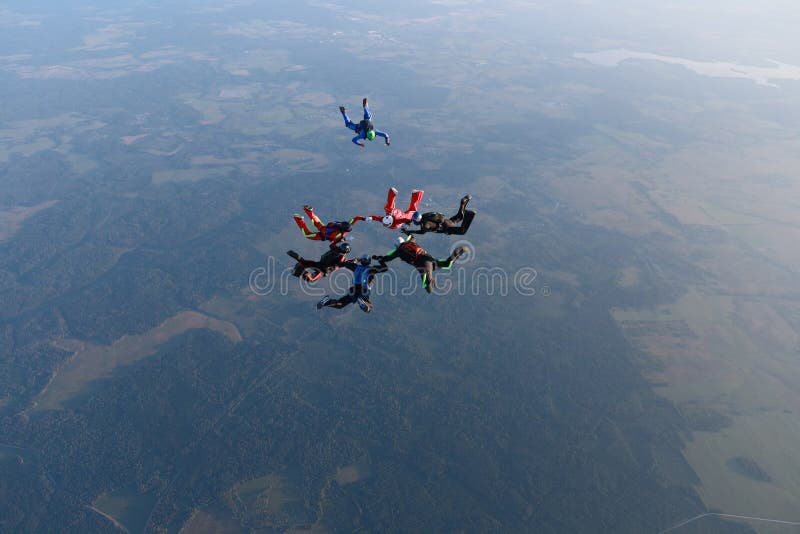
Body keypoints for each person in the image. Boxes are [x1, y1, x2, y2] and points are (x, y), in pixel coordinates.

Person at [373, 235, 466, 293]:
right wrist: (408, 233)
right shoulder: (410, 242)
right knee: (446, 264)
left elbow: (388, 258)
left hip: (423, 265)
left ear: (397, 246)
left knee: (428, 289)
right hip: (430, 258)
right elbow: (412, 237)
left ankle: (431, 280)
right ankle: (457, 252)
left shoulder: (399, 251)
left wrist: (379, 258)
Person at [317, 255, 388, 313]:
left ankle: (326, 302)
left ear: (362, 261)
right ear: (369, 262)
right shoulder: (371, 269)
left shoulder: (355, 267)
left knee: (341, 304)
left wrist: (357, 260)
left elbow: (346, 263)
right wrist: (381, 260)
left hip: (353, 290)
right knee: (368, 307)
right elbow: (385, 268)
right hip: (364, 289)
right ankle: (362, 300)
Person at [402, 194, 475, 235]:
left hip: (447, 227)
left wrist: (410, 231)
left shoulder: (425, 224)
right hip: (446, 221)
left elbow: (422, 232)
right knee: (460, 217)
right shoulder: (424, 216)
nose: (414, 222)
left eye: (414, 221)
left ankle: (470, 214)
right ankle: (463, 203)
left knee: (462, 231)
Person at [293, 205, 365, 244]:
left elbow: (356, 218)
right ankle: (300, 220)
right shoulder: (340, 234)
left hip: (325, 227)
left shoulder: (346, 224)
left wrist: (364, 218)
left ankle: (309, 211)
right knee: (307, 235)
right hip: (322, 235)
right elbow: (333, 241)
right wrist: (344, 239)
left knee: (316, 222)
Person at [287, 241, 352, 283]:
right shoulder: (342, 257)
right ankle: (304, 273)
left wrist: (338, 241)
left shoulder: (336, 249)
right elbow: (339, 265)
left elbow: (331, 245)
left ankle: (297, 263)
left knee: (305, 263)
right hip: (324, 270)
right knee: (311, 279)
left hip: (320, 263)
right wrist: (348, 263)